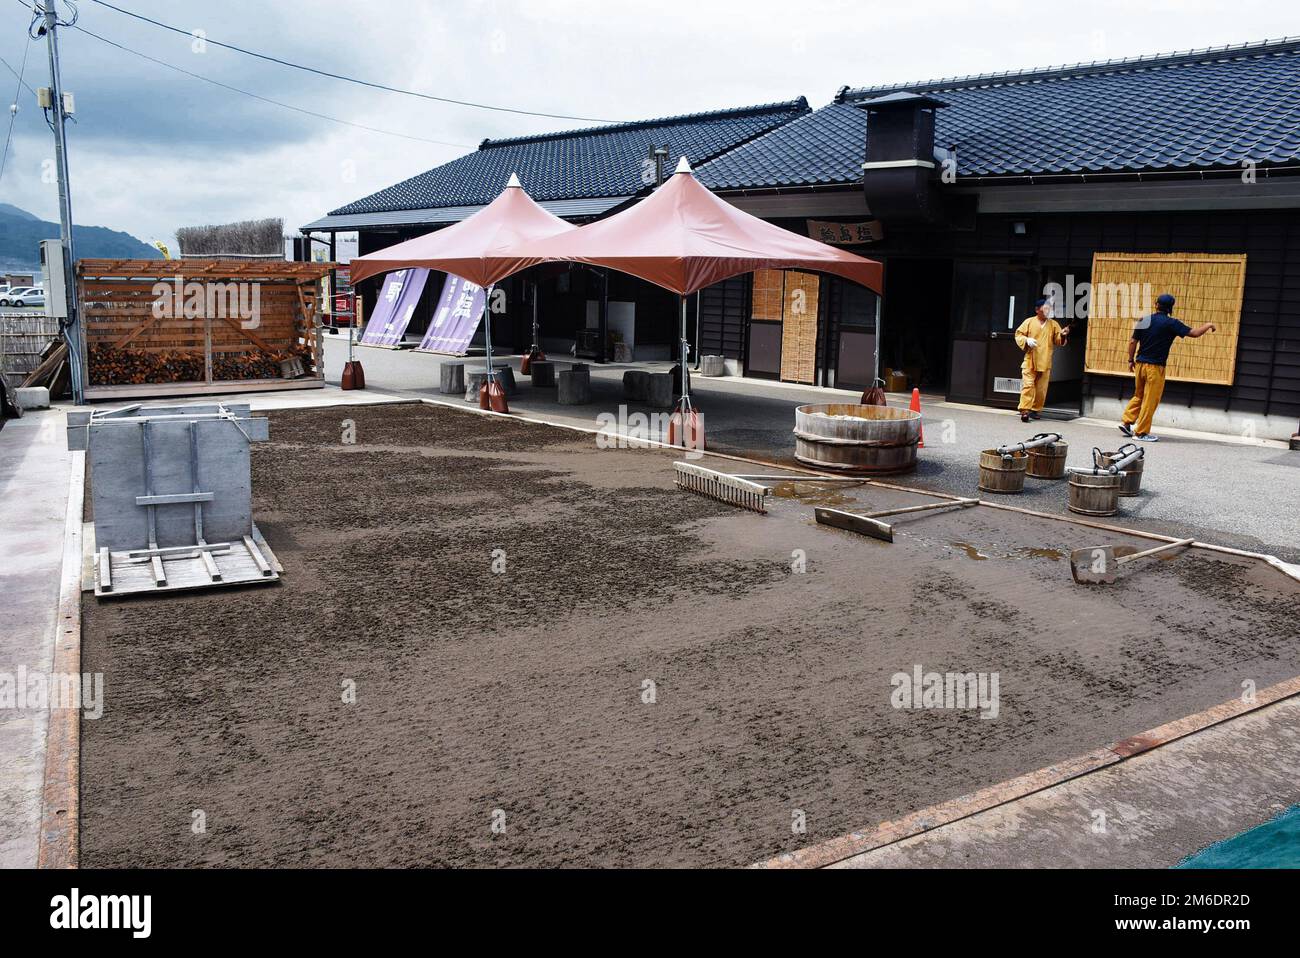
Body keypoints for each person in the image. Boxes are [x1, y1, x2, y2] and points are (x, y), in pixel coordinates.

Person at [1120, 293, 1216, 442]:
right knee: (1150, 400)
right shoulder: (1172, 323)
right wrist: (1208, 325)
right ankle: (1141, 433)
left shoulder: (1144, 320)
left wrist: (1130, 360)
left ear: (1156, 305)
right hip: (1155, 368)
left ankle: (1126, 422)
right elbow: (1195, 333)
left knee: (1139, 395)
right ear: (1170, 308)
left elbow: (1133, 342)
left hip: (1140, 365)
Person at [1014, 297, 1071, 423]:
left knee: (1041, 389)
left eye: (1049, 309)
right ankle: (1025, 410)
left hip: (1045, 360)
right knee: (1028, 385)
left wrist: (1063, 335)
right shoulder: (1029, 322)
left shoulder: (1053, 324)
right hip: (1030, 359)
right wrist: (1026, 340)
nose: (1047, 311)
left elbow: (1058, 341)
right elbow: (1018, 334)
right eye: (1045, 308)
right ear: (1037, 310)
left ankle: (1035, 410)